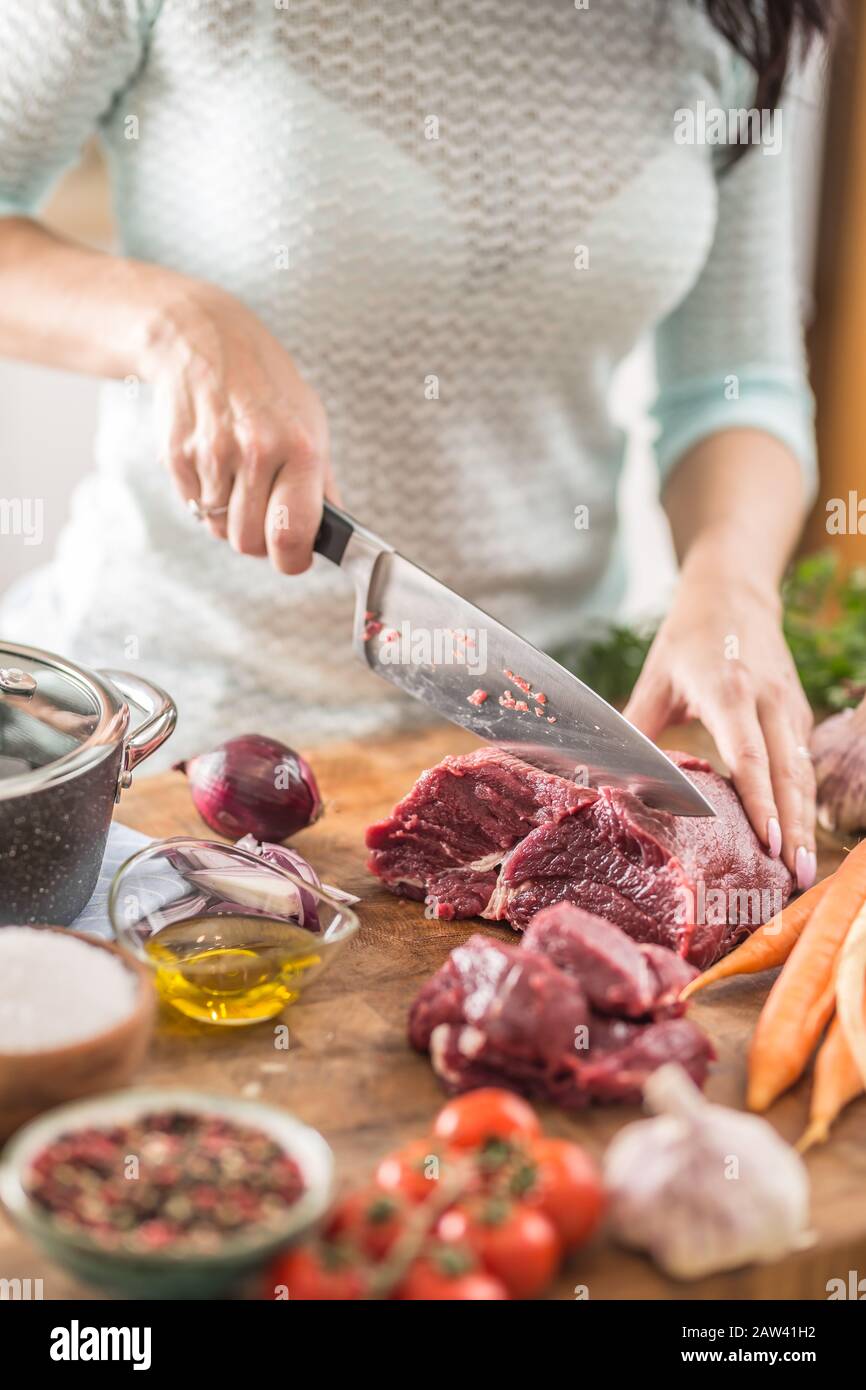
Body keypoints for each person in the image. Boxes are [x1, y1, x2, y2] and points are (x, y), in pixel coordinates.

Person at [0, 1, 830, 889]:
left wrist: (731, 582)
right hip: (149, 753)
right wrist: (171, 323)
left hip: (534, 767)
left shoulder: (732, 21)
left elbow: (737, 382)